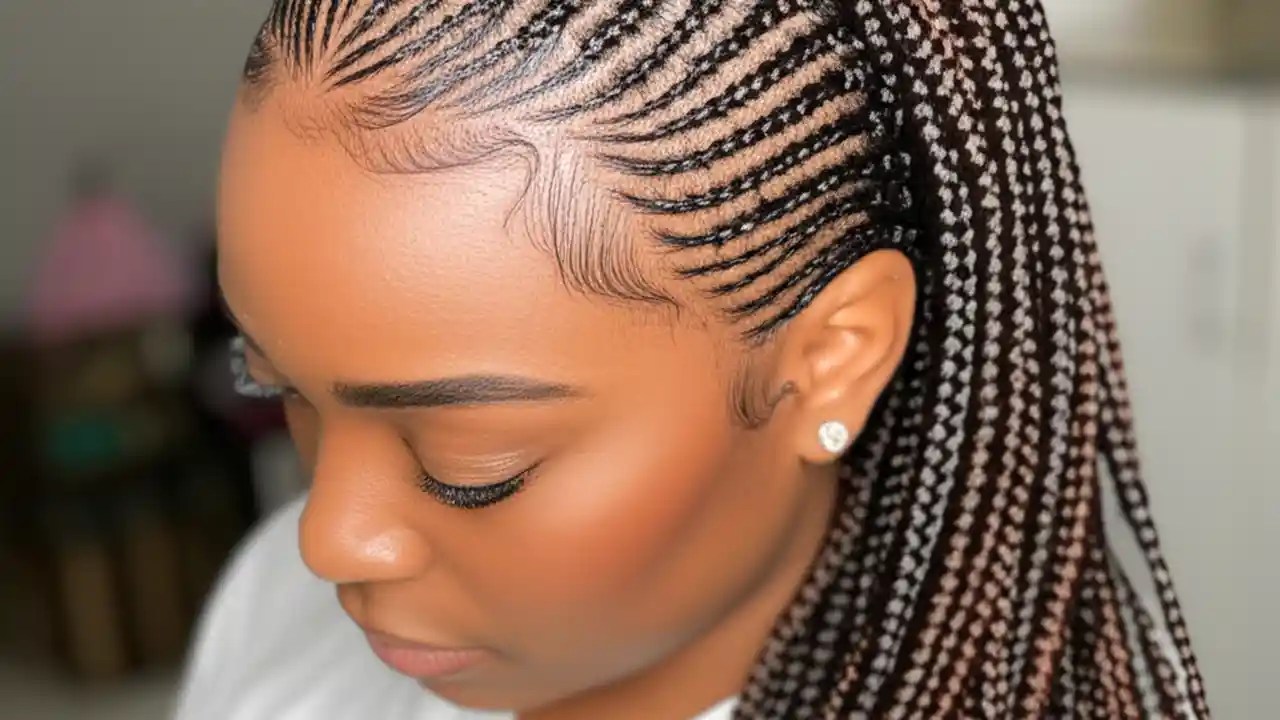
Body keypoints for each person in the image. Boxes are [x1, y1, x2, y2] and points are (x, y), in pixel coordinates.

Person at [175, 1, 1210, 718]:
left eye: (468, 458)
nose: (328, 540)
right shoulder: (275, 607)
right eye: (274, 381)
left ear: (830, 360)